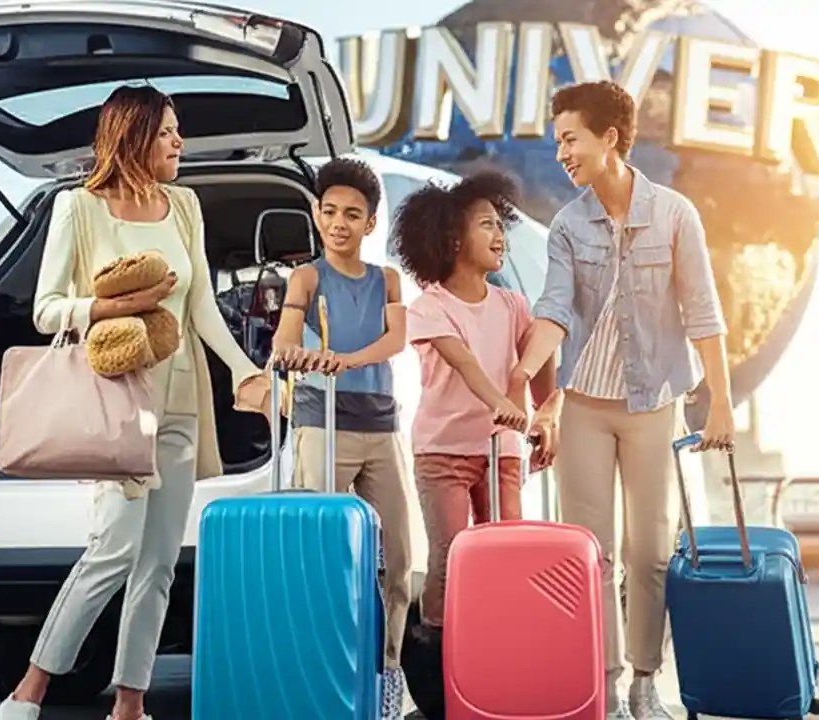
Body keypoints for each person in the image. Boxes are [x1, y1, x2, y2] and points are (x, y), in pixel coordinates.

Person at [0, 85, 269, 720]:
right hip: (119, 398)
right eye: (170, 131)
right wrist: (108, 308)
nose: (180, 142)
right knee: (114, 548)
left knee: (159, 562)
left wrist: (245, 372)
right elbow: (45, 311)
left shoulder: (185, 207)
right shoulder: (78, 208)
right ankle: (27, 692)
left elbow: (200, 304)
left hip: (179, 400)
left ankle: (131, 704)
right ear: (134, 135)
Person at [511, 80, 734, 720]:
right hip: (584, 403)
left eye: (570, 139)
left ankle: (644, 681)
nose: (562, 153)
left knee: (650, 551)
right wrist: (522, 376)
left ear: (609, 138)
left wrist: (719, 402)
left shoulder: (674, 214)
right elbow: (553, 309)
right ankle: (602, 685)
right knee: (591, 551)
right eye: (557, 141)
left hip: (652, 403)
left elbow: (703, 312)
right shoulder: (566, 225)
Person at [271, 156, 412, 720]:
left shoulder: (389, 281)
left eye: (352, 214)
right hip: (320, 424)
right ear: (316, 213)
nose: (339, 223)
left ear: (370, 223)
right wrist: (294, 352)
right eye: (329, 211)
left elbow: (395, 341)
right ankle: (323, 675)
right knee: (324, 561)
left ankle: (388, 677)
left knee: (398, 563)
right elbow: (285, 338)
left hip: (379, 427)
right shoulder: (305, 277)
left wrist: (343, 359)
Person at [393, 169, 535, 631]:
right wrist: (503, 405)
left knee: (509, 551)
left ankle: (500, 647)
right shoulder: (429, 307)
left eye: (500, 224)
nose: (499, 234)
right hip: (443, 450)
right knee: (451, 554)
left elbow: (540, 355)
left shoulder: (513, 304)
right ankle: (437, 650)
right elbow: (466, 363)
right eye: (486, 224)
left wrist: (544, 411)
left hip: (501, 451)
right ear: (453, 240)